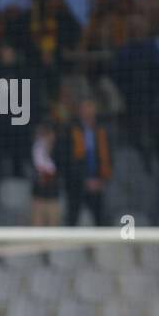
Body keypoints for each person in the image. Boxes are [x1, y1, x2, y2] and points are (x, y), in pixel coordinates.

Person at [64, 97, 111, 226]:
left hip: (97, 182)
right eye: (85, 109)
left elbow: (108, 156)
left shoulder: (101, 131)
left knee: (100, 219)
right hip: (76, 183)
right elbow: (67, 160)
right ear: (80, 111)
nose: (89, 113)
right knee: (72, 219)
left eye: (91, 108)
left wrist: (102, 179)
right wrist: (84, 180)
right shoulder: (70, 130)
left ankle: (99, 245)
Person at [30, 122, 62, 226]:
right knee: (37, 225)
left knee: (53, 225)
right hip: (38, 194)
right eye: (42, 135)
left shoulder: (60, 150)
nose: (44, 138)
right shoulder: (35, 149)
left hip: (53, 194)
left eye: (47, 134)